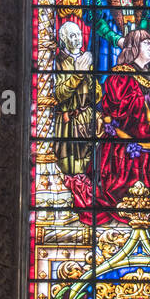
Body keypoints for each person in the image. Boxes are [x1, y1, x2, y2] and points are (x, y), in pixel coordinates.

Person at [96, 28, 150, 223]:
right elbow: (120, 110)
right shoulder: (120, 75)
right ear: (134, 47)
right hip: (129, 148)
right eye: (147, 43)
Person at [51, 20, 102, 215]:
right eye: (72, 36)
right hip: (68, 122)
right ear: (64, 40)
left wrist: (91, 82)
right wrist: (77, 74)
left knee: (89, 164)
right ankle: (72, 208)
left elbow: (96, 93)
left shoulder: (84, 59)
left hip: (87, 119)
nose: (77, 38)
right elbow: (59, 94)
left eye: (78, 34)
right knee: (70, 165)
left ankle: (88, 205)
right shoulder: (59, 62)